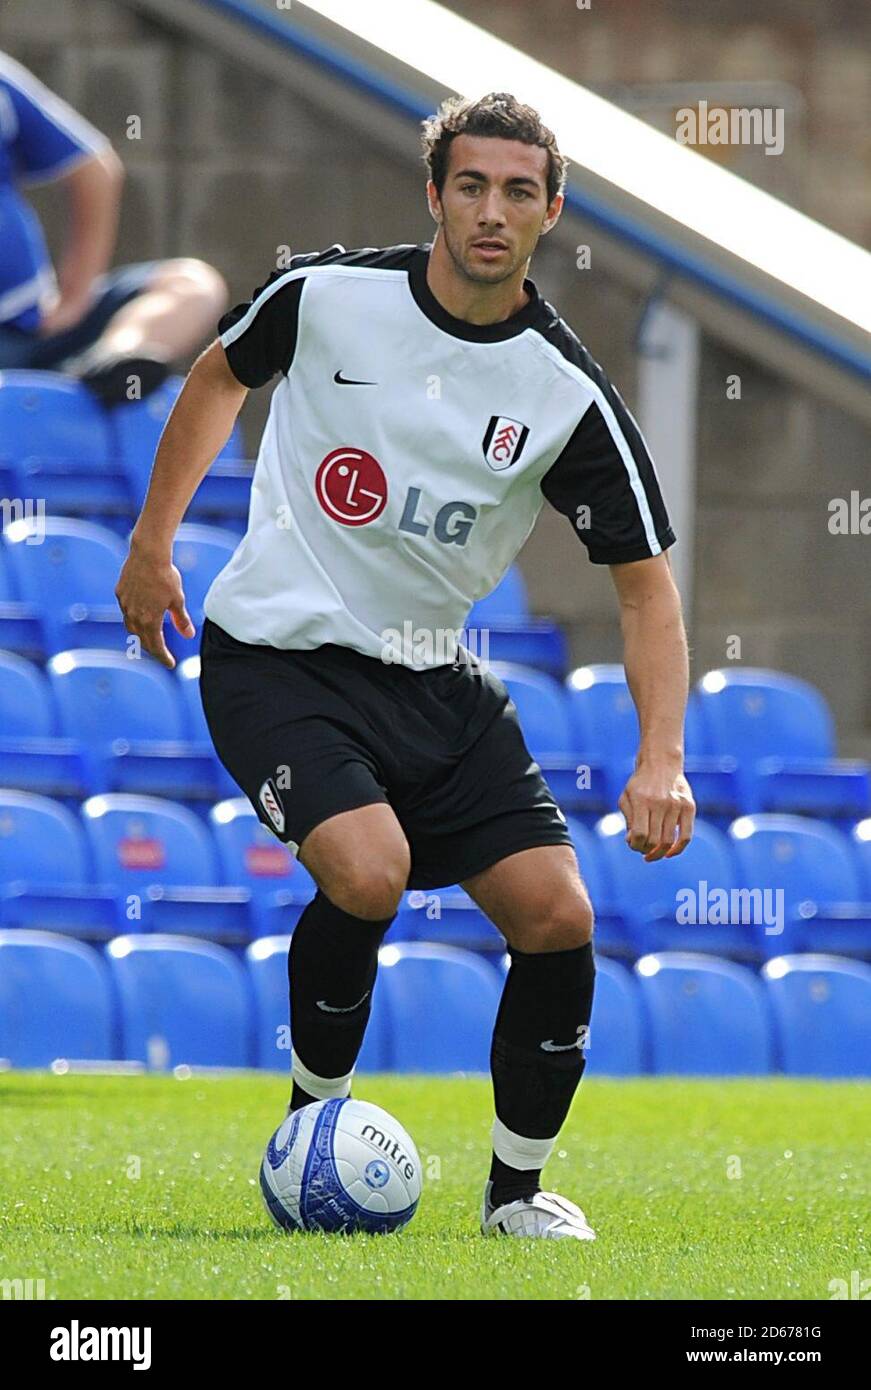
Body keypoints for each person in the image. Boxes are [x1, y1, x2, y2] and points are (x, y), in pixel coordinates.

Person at [116, 91, 696, 1240]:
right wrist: (152, 544)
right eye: (470, 185)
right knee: (370, 869)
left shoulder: (565, 394)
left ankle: (514, 1198)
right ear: (434, 193)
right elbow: (219, 378)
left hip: (434, 680)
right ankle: (312, 1127)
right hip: (274, 658)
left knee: (557, 914)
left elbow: (645, 590)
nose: (491, 211)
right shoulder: (326, 296)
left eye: (518, 192)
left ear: (550, 211)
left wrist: (660, 759)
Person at [0, 50, 227, 403]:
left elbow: (94, 168)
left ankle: (112, 362)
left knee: (194, 284)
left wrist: (74, 298)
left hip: (42, 330)